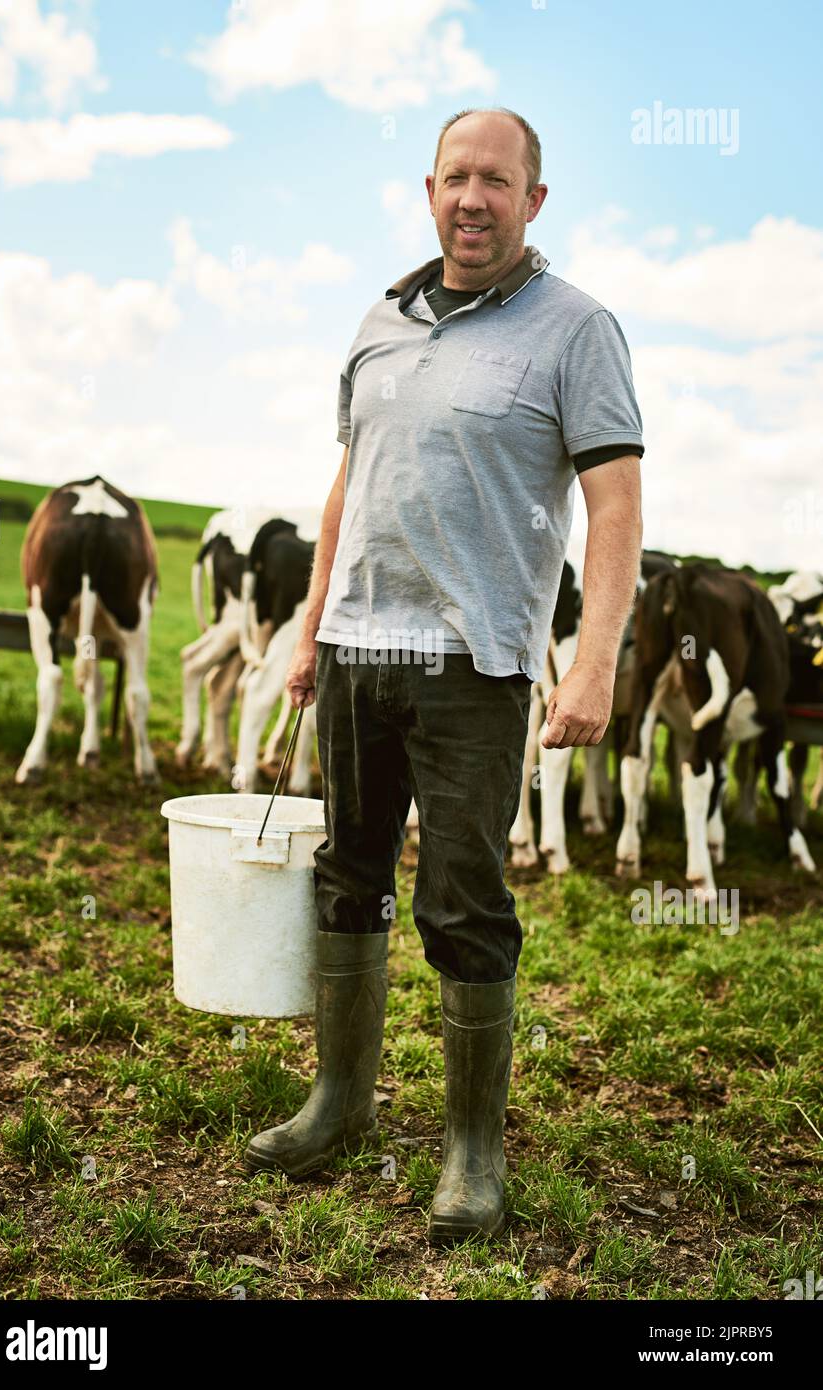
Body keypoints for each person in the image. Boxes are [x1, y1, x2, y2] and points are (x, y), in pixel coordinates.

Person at [245, 106, 644, 1244]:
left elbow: (615, 505)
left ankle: (474, 1146)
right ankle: (339, 1102)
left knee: (463, 900)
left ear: (533, 200)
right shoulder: (379, 320)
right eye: (456, 178)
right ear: (429, 191)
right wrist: (312, 626)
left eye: (498, 181)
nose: (475, 198)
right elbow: (347, 486)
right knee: (346, 875)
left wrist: (598, 662)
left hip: (476, 662)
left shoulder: (578, 330)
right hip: (362, 650)